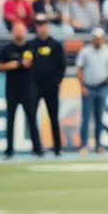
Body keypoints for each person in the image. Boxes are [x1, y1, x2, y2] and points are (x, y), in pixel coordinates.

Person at [0, 20, 44, 158]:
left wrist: (27, 63)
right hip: (12, 89)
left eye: (21, 30)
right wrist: (10, 65)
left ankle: (37, 148)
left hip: (28, 89)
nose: (19, 33)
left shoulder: (31, 48)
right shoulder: (7, 49)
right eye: (17, 30)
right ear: (13, 33)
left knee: (31, 119)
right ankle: (9, 149)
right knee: (10, 120)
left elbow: (35, 63)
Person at [75, 28, 108, 154]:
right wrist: (82, 86)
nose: (97, 40)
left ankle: (98, 145)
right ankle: (84, 145)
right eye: (95, 38)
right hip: (89, 87)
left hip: (102, 87)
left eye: (99, 38)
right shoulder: (86, 52)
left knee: (99, 117)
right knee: (86, 117)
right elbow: (79, 70)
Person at [31, 14, 66, 155]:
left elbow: (61, 66)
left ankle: (57, 148)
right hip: (34, 87)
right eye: (39, 25)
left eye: (44, 24)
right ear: (36, 27)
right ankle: (37, 148)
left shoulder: (56, 45)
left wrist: (57, 81)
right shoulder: (31, 44)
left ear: (48, 26)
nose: (42, 28)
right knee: (32, 116)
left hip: (51, 86)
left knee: (53, 117)